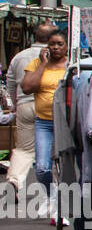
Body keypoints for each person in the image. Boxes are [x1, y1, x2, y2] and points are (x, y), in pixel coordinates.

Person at [20, 30, 69, 220]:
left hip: (65, 123)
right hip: (44, 123)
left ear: (66, 46)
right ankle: (52, 195)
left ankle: (62, 212)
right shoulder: (37, 63)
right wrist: (42, 64)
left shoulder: (71, 66)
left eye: (59, 44)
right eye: (51, 44)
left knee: (65, 169)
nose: (55, 47)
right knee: (41, 168)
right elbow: (27, 87)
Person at [5, 22, 55, 196]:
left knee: (24, 149)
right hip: (48, 106)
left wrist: (15, 104)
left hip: (24, 105)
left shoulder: (19, 56)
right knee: (52, 148)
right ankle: (51, 189)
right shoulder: (57, 57)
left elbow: (10, 82)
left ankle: (14, 181)